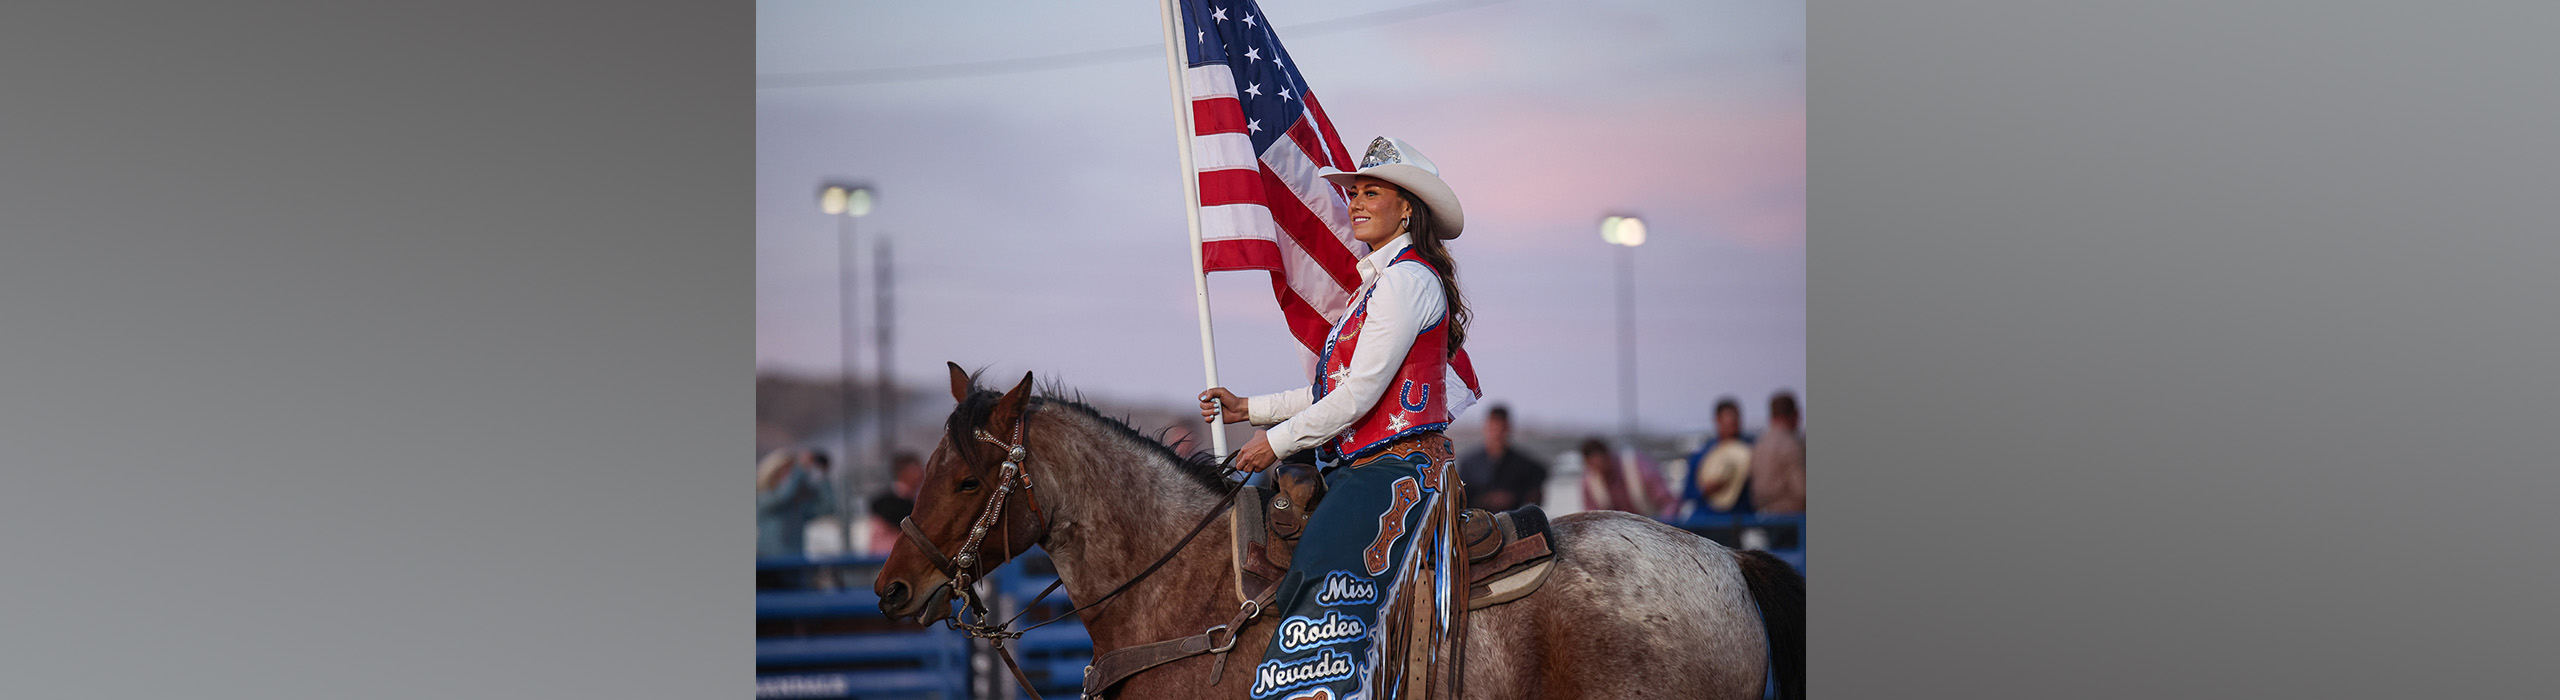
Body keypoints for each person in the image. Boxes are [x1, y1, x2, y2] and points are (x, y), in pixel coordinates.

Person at [1197, 136, 1475, 700]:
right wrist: (1250, 408)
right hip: (1368, 464)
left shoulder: (1405, 281)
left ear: (1407, 209)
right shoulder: (1376, 285)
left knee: (1321, 571)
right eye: (1354, 193)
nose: (1355, 202)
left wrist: (1273, 442)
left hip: (1395, 470)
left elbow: (1359, 397)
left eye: (1372, 192)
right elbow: (1335, 388)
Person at [1458, 404, 1548, 510]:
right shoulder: (1468, 464)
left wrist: (1514, 497)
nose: (1497, 435)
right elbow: (1461, 499)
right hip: (1478, 522)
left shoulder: (1526, 466)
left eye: (1501, 429)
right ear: (1485, 428)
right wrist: (1485, 499)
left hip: (1514, 522)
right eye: (1493, 429)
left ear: (1507, 429)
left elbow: (1535, 496)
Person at [1677, 397, 1755, 519]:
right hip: (1709, 519)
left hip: (1738, 518)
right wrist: (1705, 490)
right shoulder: (1702, 455)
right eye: (1729, 421)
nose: (1734, 425)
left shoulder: (1751, 451)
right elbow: (1688, 492)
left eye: (1735, 421)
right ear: (1717, 420)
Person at [757, 448, 837, 559]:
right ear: (773, 473)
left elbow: (828, 507)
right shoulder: (762, 499)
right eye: (786, 472)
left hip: (794, 567)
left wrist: (822, 474)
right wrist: (799, 470)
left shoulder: (798, 508)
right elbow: (782, 496)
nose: (792, 478)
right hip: (768, 567)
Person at [1579, 437, 1672, 517]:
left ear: (1608, 456)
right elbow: (1592, 516)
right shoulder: (1589, 482)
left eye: (1601, 464)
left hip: (1651, 524)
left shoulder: (1638, 466)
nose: (1600, 470)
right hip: (1618, 533)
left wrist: (1663, 527)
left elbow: (1668, 502)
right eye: (1594, 467)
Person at [1749, 390, 1806, 513]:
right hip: (1791, 516)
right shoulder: (1790, 444)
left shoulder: (1759, 443)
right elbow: (1801, 491)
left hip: (1763, 513)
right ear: (1794, 415)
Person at [862, 451, 923, 555]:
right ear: (903, 472)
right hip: (888, 557)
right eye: (916, 469)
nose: (922, 472)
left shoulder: (888, 501)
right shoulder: (891, 503)